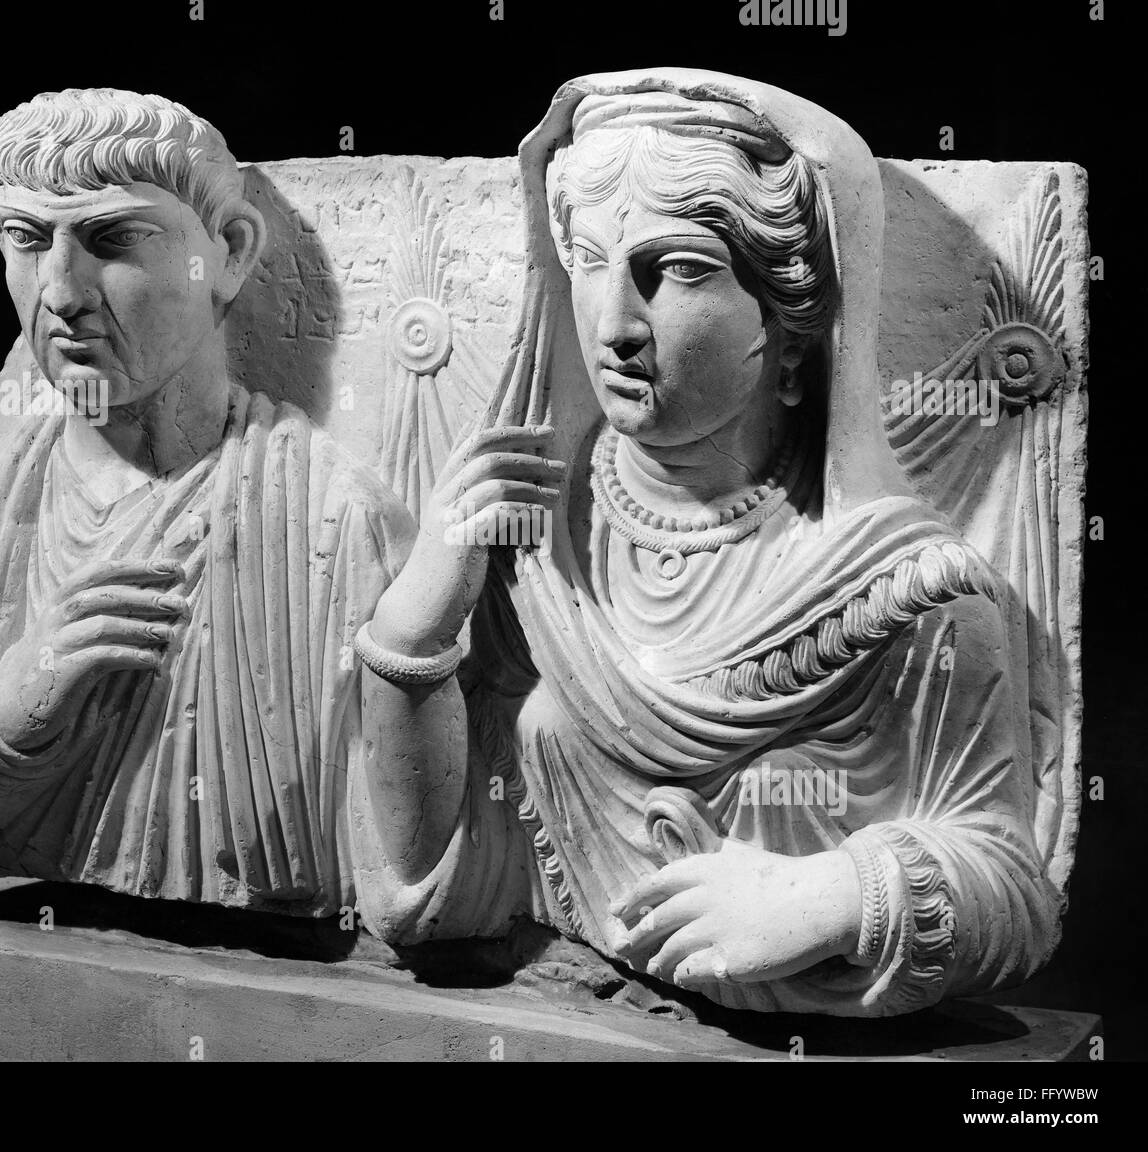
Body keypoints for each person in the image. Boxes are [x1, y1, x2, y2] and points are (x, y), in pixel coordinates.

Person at [353, 69, 1062, 1016]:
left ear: (796, 325)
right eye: (592, 262)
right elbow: (420, 894)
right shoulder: (528, 555)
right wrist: (412, 624)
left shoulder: (909, 595)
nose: (615, 326)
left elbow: (1015, 893)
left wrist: (838, 895)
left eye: (678, 269)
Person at [0, 89, 415, 916]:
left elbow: (396, 860)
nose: (61, 292)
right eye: (27, 240)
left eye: (113, 239)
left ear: (231, 253)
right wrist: (13, 715)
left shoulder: (331, 512)